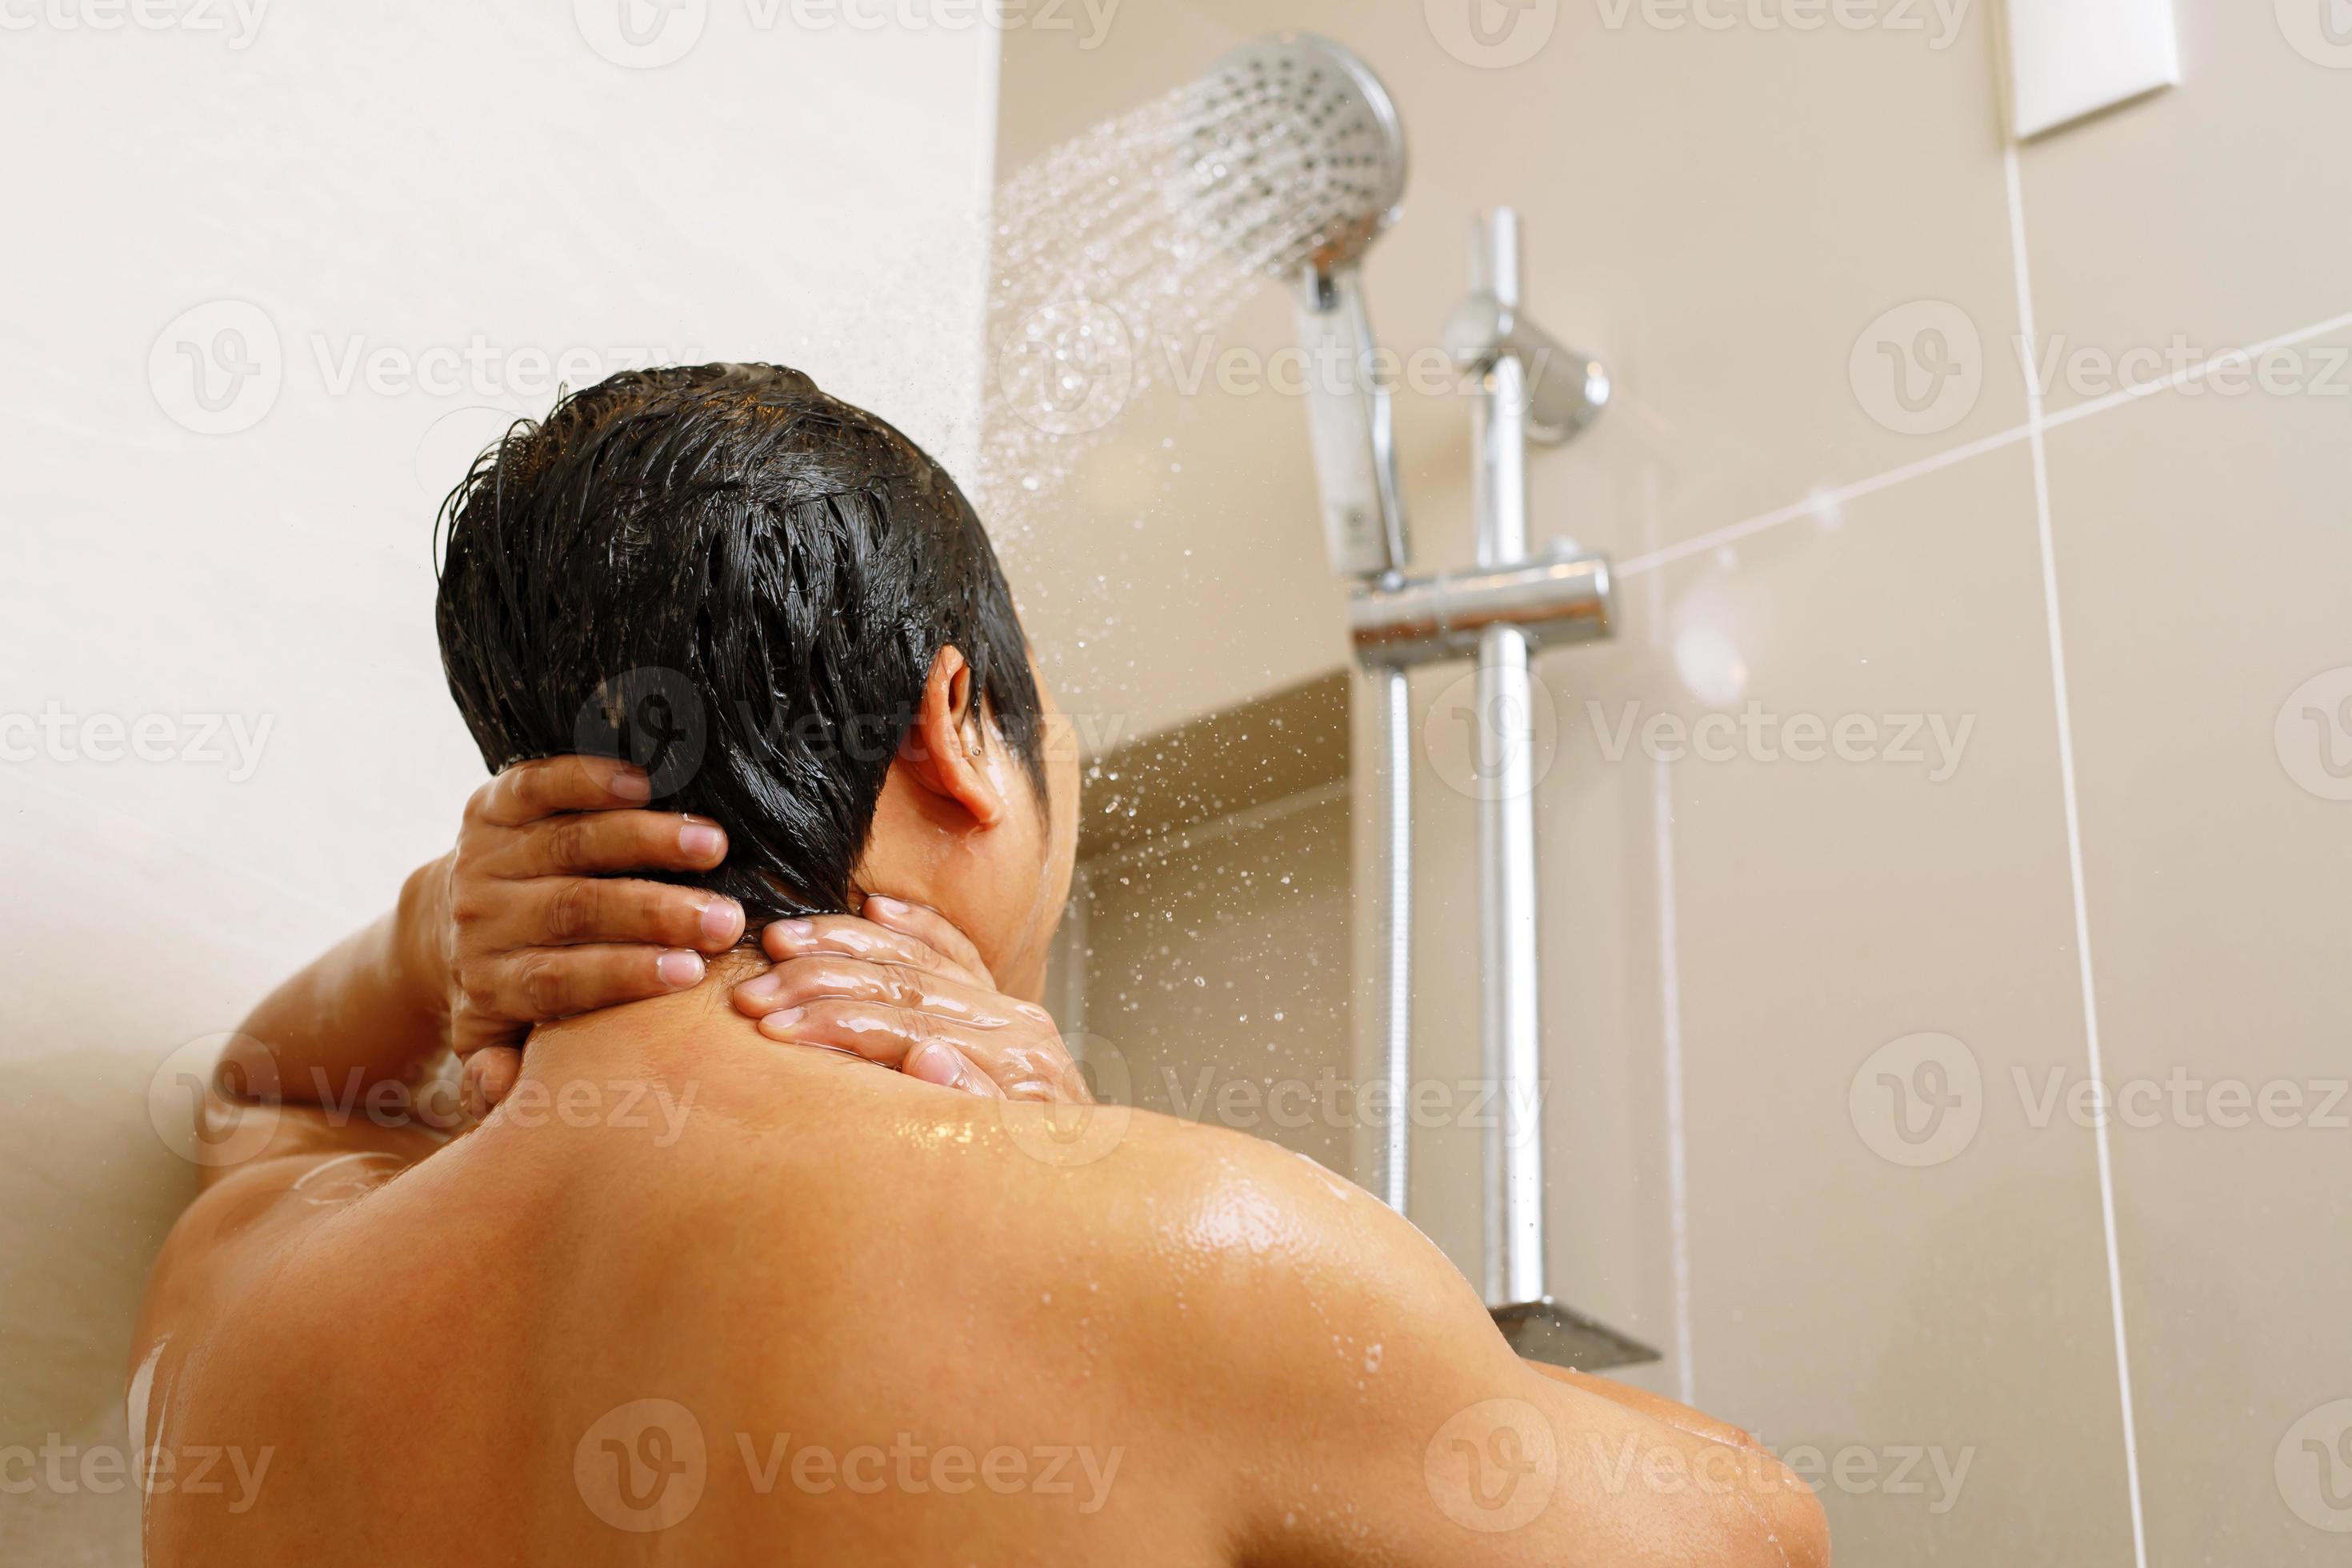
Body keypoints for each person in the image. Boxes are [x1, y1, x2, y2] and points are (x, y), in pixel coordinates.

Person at [133, 364, 1828, 1565]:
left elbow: (263, 1096)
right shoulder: (1174, 1254)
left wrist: (447, 926)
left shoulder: (250, 1308)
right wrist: (1069, 1159)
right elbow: (1756, 1531)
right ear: (957, 725)